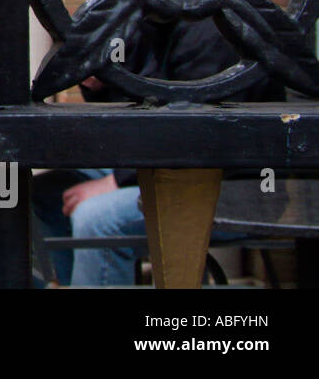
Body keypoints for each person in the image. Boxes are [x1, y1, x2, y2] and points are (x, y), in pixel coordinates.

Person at [32, 16, 280, 286]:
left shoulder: (212, 33)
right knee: (47, 193)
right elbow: (139, 119)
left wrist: (117, 180)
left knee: (96, 218)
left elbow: (194, 136)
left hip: (234, 188)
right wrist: (98, 85)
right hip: (162, 165)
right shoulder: (153, 22)